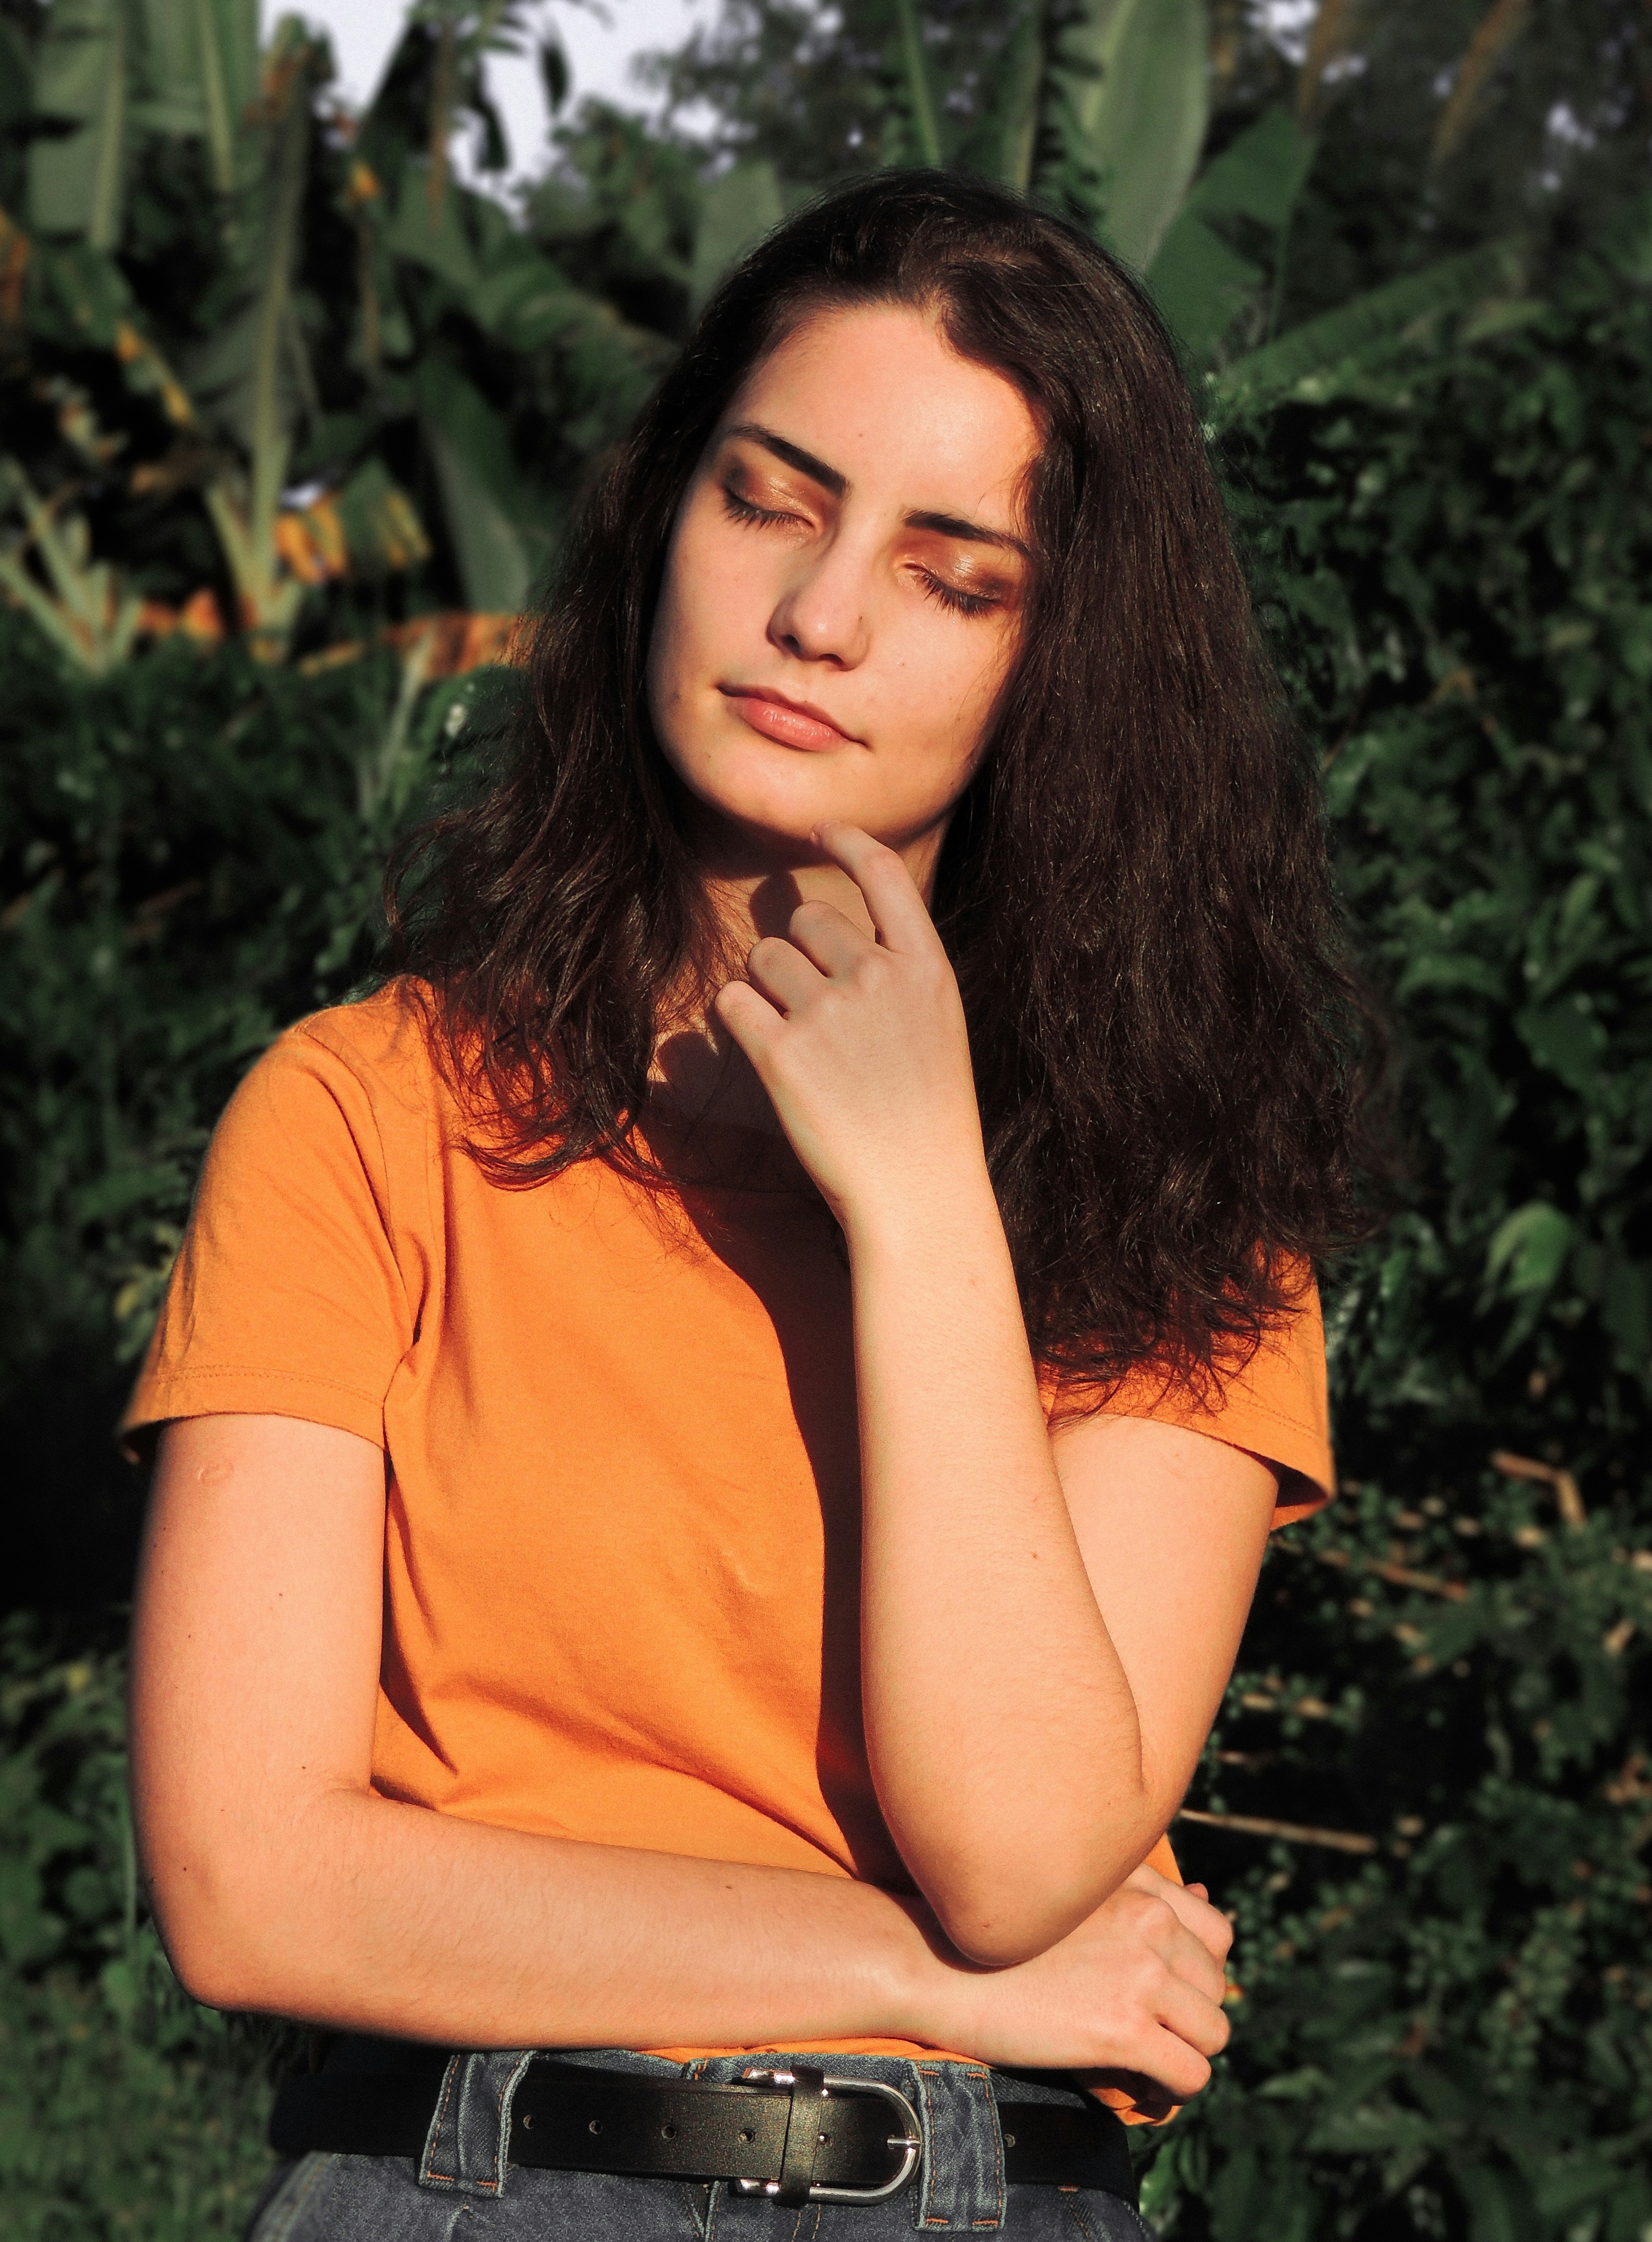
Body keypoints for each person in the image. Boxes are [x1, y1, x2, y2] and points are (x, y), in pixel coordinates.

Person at [125, 168, 1371, 2242]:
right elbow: (258, 1888)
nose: (821, 614)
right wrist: (896, 1976)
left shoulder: (1192, 1221)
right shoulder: (363, 1117)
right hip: (481, 2186)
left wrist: (922, 1208)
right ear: (663, 519)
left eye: (954, 572)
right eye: (771, 502)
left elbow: (1019, 1849)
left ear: (1062, 661)